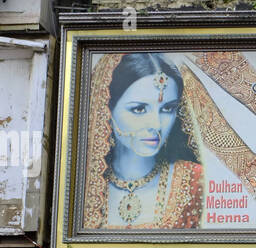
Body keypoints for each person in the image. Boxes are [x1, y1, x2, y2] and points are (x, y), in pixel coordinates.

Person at [82, 51, 204, 231]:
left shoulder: (195, 181)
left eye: (167, 108)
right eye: (139, 109)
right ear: (105, 111)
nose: (156, 124)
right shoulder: (87, 188)